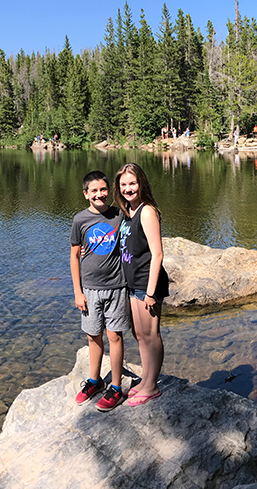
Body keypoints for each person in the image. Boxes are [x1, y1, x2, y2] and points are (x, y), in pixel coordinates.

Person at [70, 170, 131, 411]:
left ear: (110, 191)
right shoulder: (80, 220)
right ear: (85, 194)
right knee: (93, 336)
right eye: (94, 191)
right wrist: (77, 291)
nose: (99, 194)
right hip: (90, 289)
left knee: (115, 335)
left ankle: (116, 387)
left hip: (116, 287)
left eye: (103, 190)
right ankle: (95, 381)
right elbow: (75, 255)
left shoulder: (119, 214)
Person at [116, 162, 167, 406]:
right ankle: (146, 379)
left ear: (141, 184)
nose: (128, 188)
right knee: (139, 334)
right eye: (124, 184)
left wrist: (150, 292)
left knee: (151, 334)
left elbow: (157, 254)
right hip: (132, 282)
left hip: (147, 284)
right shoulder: (128, 211)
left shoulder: (146, 211)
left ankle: (152, 385)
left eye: (132, 183)